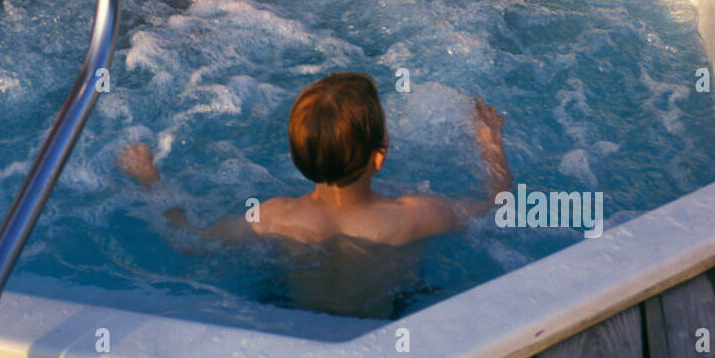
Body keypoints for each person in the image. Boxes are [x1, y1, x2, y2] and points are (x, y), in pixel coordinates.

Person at [117, 72, 511, 246]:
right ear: (379, 157)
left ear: (297, 155)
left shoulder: (271, 217)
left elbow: (191, 239)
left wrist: (150, 179)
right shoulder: (418, 215)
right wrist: (489, 140)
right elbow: (498, 208)